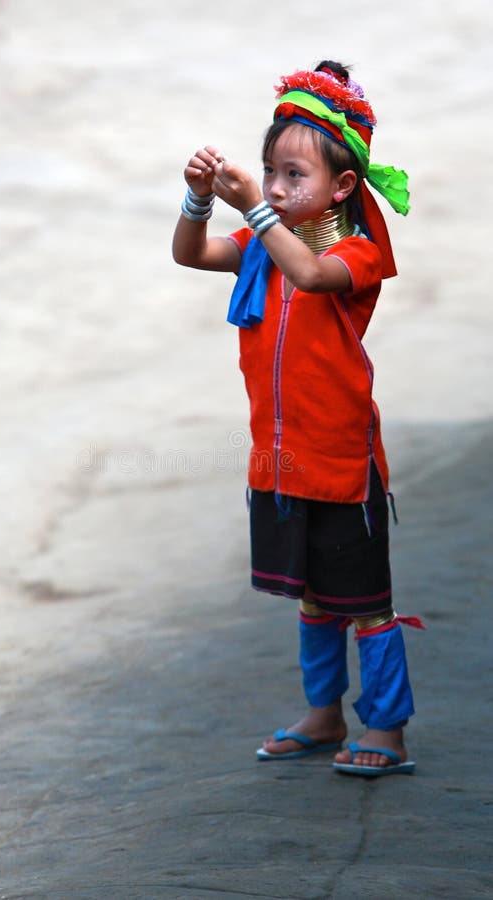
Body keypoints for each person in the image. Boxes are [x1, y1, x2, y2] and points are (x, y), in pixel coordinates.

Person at [172, 60, 424, 777]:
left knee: (367, 603)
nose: (278, 189)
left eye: (294, 177)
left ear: (343, 188)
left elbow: (312, 277)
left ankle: (387, 726)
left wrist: (253, 206)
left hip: (344, 464)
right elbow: (191, 255)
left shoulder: (354, 253)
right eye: (269, 173)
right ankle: (323, 713)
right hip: (279, 462)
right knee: (312, 596)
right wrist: (196, 200)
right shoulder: (261, 247)